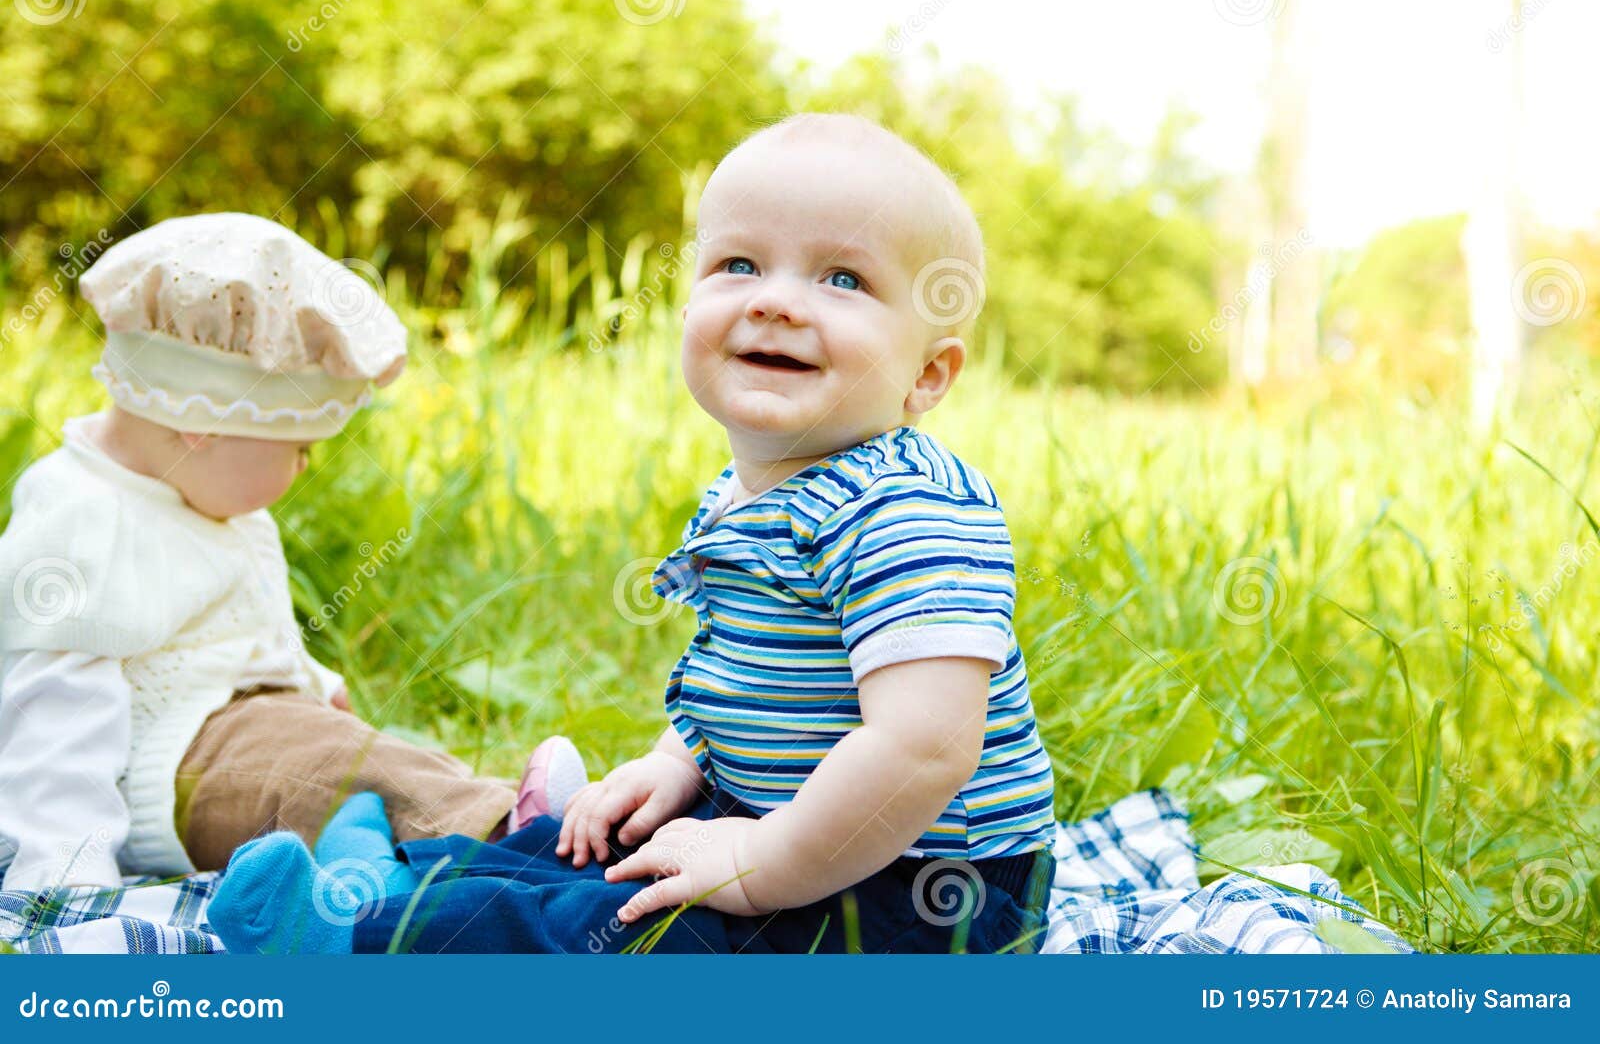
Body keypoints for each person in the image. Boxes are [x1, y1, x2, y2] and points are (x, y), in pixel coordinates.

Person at [209, 115, 1056, 954]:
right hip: (778, 822)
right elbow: (749, 676)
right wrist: (678, 763)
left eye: (843, 278)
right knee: (583, 851)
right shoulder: (751, 490)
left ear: (928, 374)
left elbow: (923, 748)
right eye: (739, 264)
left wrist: (759, 862)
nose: (772, 300)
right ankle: (382, 883)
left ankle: (346, 943)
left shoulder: (908, 509)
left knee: (627, 929)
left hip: (917, 887)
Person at [0, 213, 586, 895]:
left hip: (250, 736)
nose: (304, 466)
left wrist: (311, 679)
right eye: (298, 448)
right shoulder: (85, 516)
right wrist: (64, 871)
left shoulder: (205, 497)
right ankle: (509, 833)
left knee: (365, 761)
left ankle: (470, 841)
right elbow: (54, 708)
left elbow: (239, 628)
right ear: (204, 424)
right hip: (170, 769)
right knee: (341, 768)